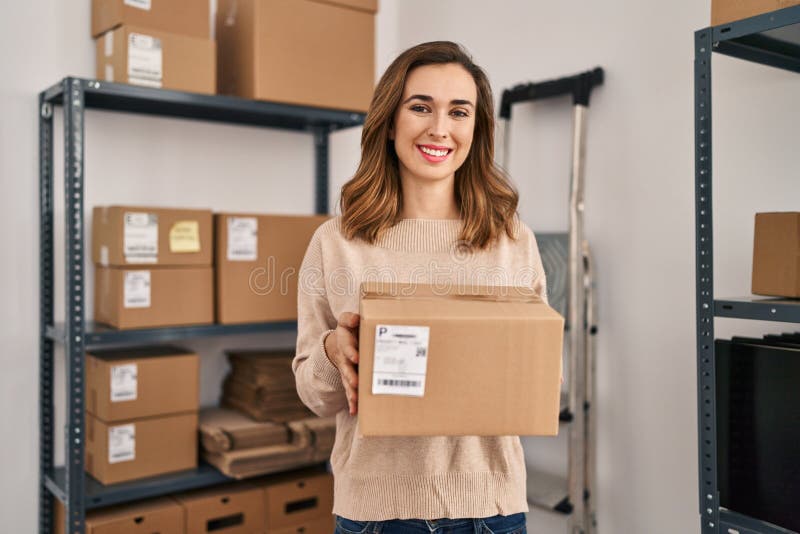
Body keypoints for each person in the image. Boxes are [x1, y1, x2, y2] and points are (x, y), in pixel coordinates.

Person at [292, 41, 549, 534]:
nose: (439, 129)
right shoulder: (336, 242)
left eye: (458, 112)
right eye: (421, 107)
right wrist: (332, 349)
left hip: (490, 511)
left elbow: (534, 376)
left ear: (476, 128)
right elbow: (315, 395)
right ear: (390, 122)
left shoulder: (512, 240)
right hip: (376, 515)